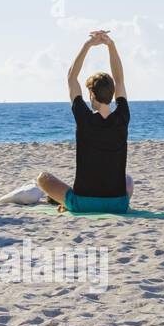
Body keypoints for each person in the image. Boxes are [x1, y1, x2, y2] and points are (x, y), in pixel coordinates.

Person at [34, 31, 134, 214]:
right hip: (118, 204)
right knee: (128, 180)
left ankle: (64, 202)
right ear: (112, 94)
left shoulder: (84, 118)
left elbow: (71, 77)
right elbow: (120, 79)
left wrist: (88, 45)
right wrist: (111, 45)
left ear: (91, 95)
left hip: (83, 203)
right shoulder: (123, 117)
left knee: (43, 178)